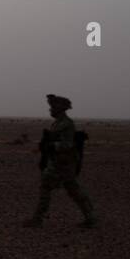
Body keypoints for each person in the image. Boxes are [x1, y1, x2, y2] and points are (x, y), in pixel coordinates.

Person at [23, 93, 97, 229]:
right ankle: (91, 218)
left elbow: (68, 144)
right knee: (73, 189)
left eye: (53, 108)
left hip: (62, 162)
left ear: (60, 109)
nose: (50, 110)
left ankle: (37, 219)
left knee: (47, 187)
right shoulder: (58, 123)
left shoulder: (67, 124)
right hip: (59, 161)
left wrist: (52, 146)